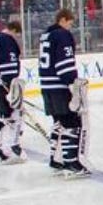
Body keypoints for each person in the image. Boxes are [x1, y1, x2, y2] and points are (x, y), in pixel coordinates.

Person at [39, 9, 89, 176]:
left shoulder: (46, 35)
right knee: (71, 123)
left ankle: (56, 159)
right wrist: (72, 84)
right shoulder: (62, 35)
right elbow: (65, 64)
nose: (70, 26)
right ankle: (70, 162)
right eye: (70, 22)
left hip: (46, 86)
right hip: (59, 87)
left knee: (58, 123)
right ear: (62, 20)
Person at [0, 20, 25, 164]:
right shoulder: (7, 40)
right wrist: (11, 86)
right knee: (13, 115)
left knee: (3, 115)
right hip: (3, 83)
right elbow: (9, 66)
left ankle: (2, 149)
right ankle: (10, 149)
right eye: (17, 34)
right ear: (14, 30)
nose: (17, 37)